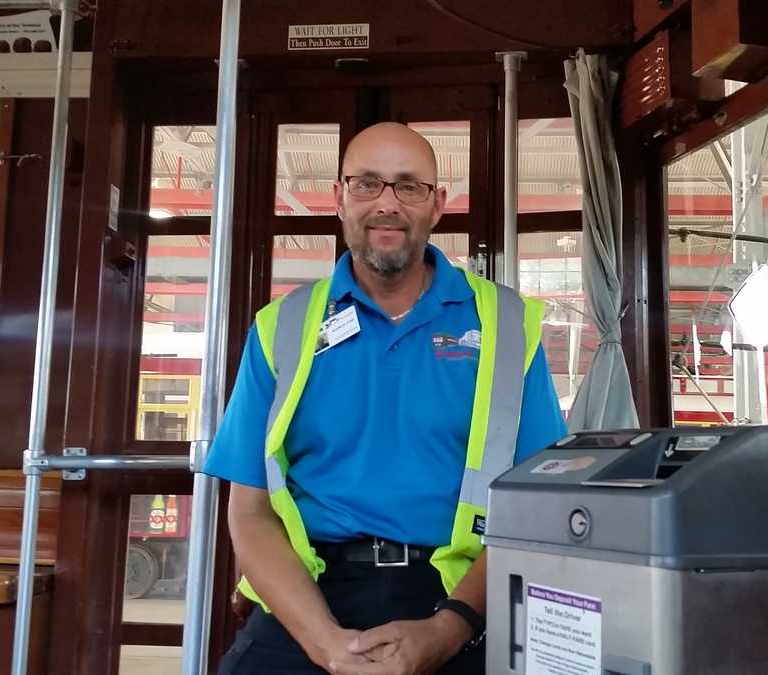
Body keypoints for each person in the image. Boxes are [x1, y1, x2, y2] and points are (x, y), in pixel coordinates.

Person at [204, 122, 567, 675]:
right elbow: (249, 511)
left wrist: (448, 631)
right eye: (367, 183)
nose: (387, 204)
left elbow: (540, 505)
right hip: (312, 595)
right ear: (338, 198)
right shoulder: (281, 327)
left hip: (459, 599)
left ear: (438, 204)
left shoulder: (509, 326)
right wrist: (325, 644)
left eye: (409, 186)